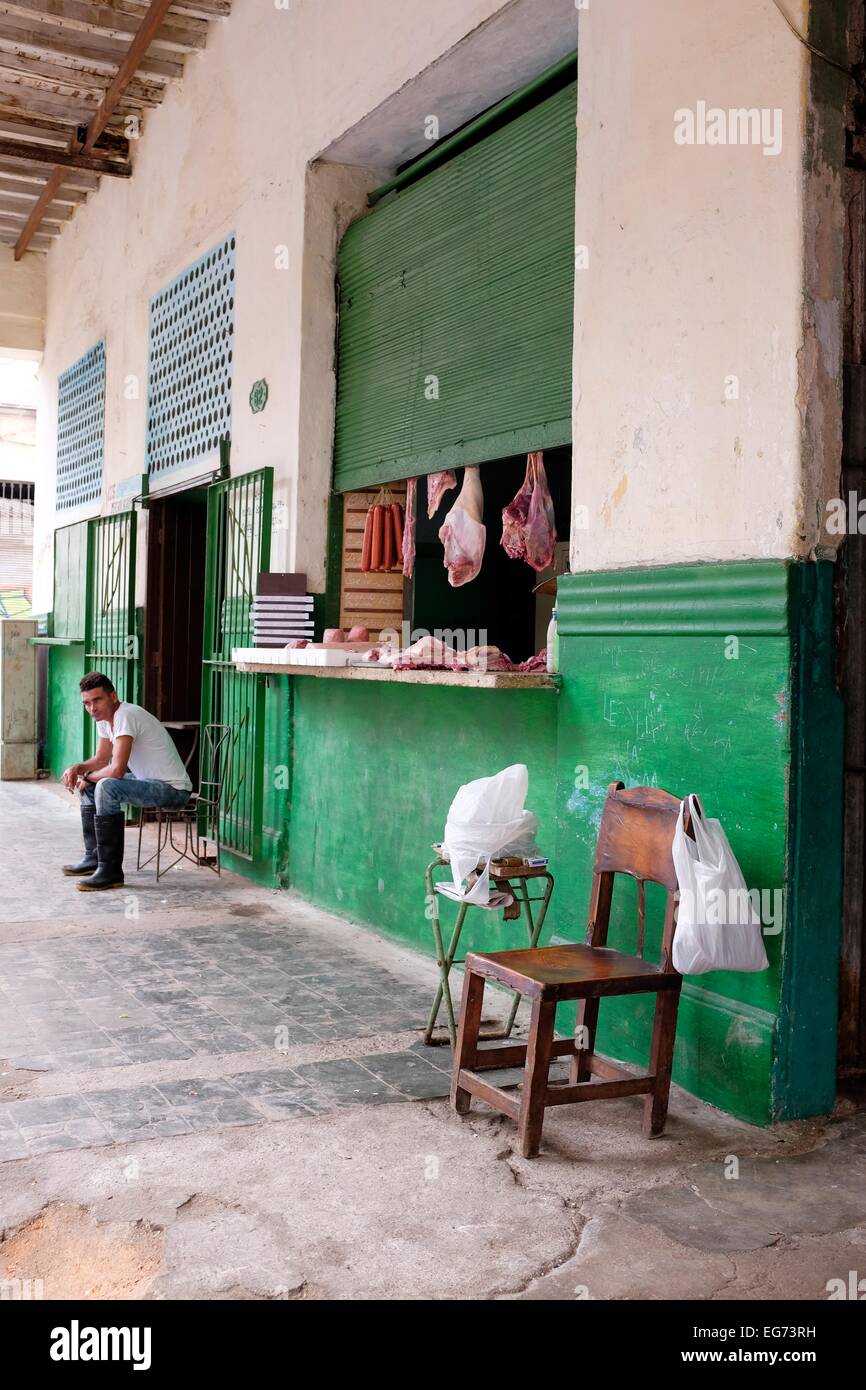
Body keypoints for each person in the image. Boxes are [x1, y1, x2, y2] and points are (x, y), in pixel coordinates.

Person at [61, 672, 193, 892]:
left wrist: (86, 777)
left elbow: (117, 770)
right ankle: (94, 858)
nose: (92, 709)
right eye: (86, 703)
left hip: (173, 791)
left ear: (113, 696)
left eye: (97, 700)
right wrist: (78, 769)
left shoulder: (126, 715)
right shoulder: (104, 720)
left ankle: (110, 871)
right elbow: (101, 759)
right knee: (94, 785)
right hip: (148, 783)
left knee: (106, 785)